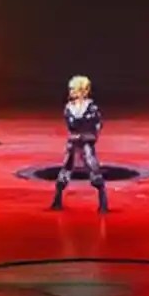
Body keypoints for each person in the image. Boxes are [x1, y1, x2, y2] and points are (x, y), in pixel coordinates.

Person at [50, 75, 107, 214]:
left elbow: (98, 124)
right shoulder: (69, 107)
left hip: (86, 140)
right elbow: (70, 123)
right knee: (66, 167)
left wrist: (92, 135)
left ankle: (103, 200)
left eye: (73, 89)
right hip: (74, 140)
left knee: (92, 165)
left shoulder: (91, 107)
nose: (70, 91)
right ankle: (57, 199)